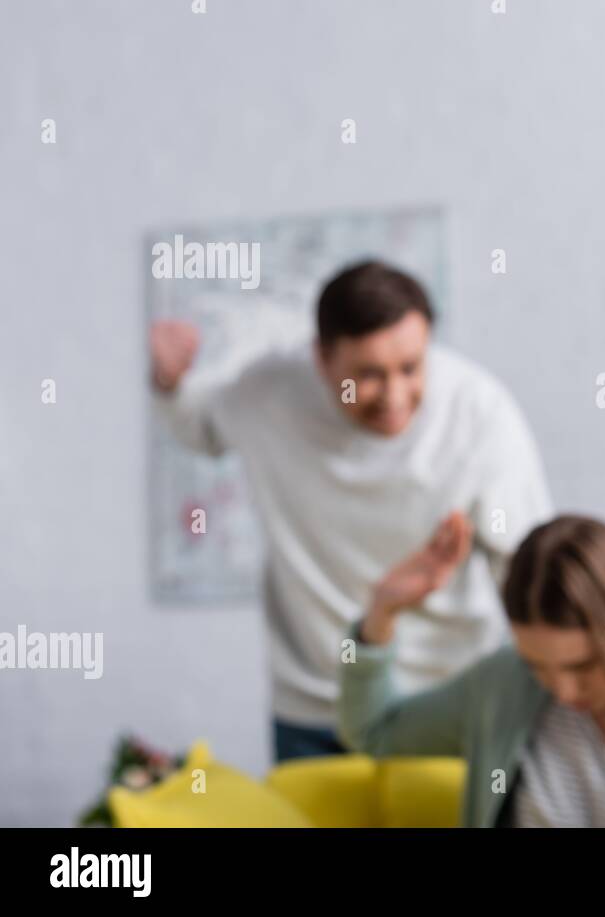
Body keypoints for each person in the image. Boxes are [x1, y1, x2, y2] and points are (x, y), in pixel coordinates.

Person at [149, 260, 553, 761]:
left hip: (447, 705)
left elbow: (530, 569)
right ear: (320, 359)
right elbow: (201, 425)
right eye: (369, 375)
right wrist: (168, 382)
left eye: (411, 367)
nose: (396, 395)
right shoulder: (269, 395)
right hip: (314, 708)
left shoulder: (479, 413)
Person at [339, 514, 605, 827]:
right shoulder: (505, 683)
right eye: (537, 666)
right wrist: (382, 610)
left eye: (582, 666)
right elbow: (374, 730)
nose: (562, 691)